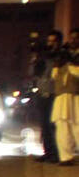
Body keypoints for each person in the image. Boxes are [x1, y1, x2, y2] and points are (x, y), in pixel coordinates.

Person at [30, 30, 63, 162]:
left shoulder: (60, 56)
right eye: (49, 41)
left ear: (59, 43)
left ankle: (57, 153)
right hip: (42, 93)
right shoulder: (43, 57)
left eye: (53, 41)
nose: (51, 44)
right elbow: (34, 73)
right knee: (44, 124)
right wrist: (36, 59)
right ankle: (47, 152)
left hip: (54, 94)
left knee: (53, 125)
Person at [52, 30, 79, 166]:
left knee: (77, 126)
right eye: (72, 38)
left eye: (76, 38)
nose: (74, 41)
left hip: (76, 95)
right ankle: (66, 157)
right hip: (62, 95)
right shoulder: (63, 55)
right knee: (62, 126)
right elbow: (55, 73)